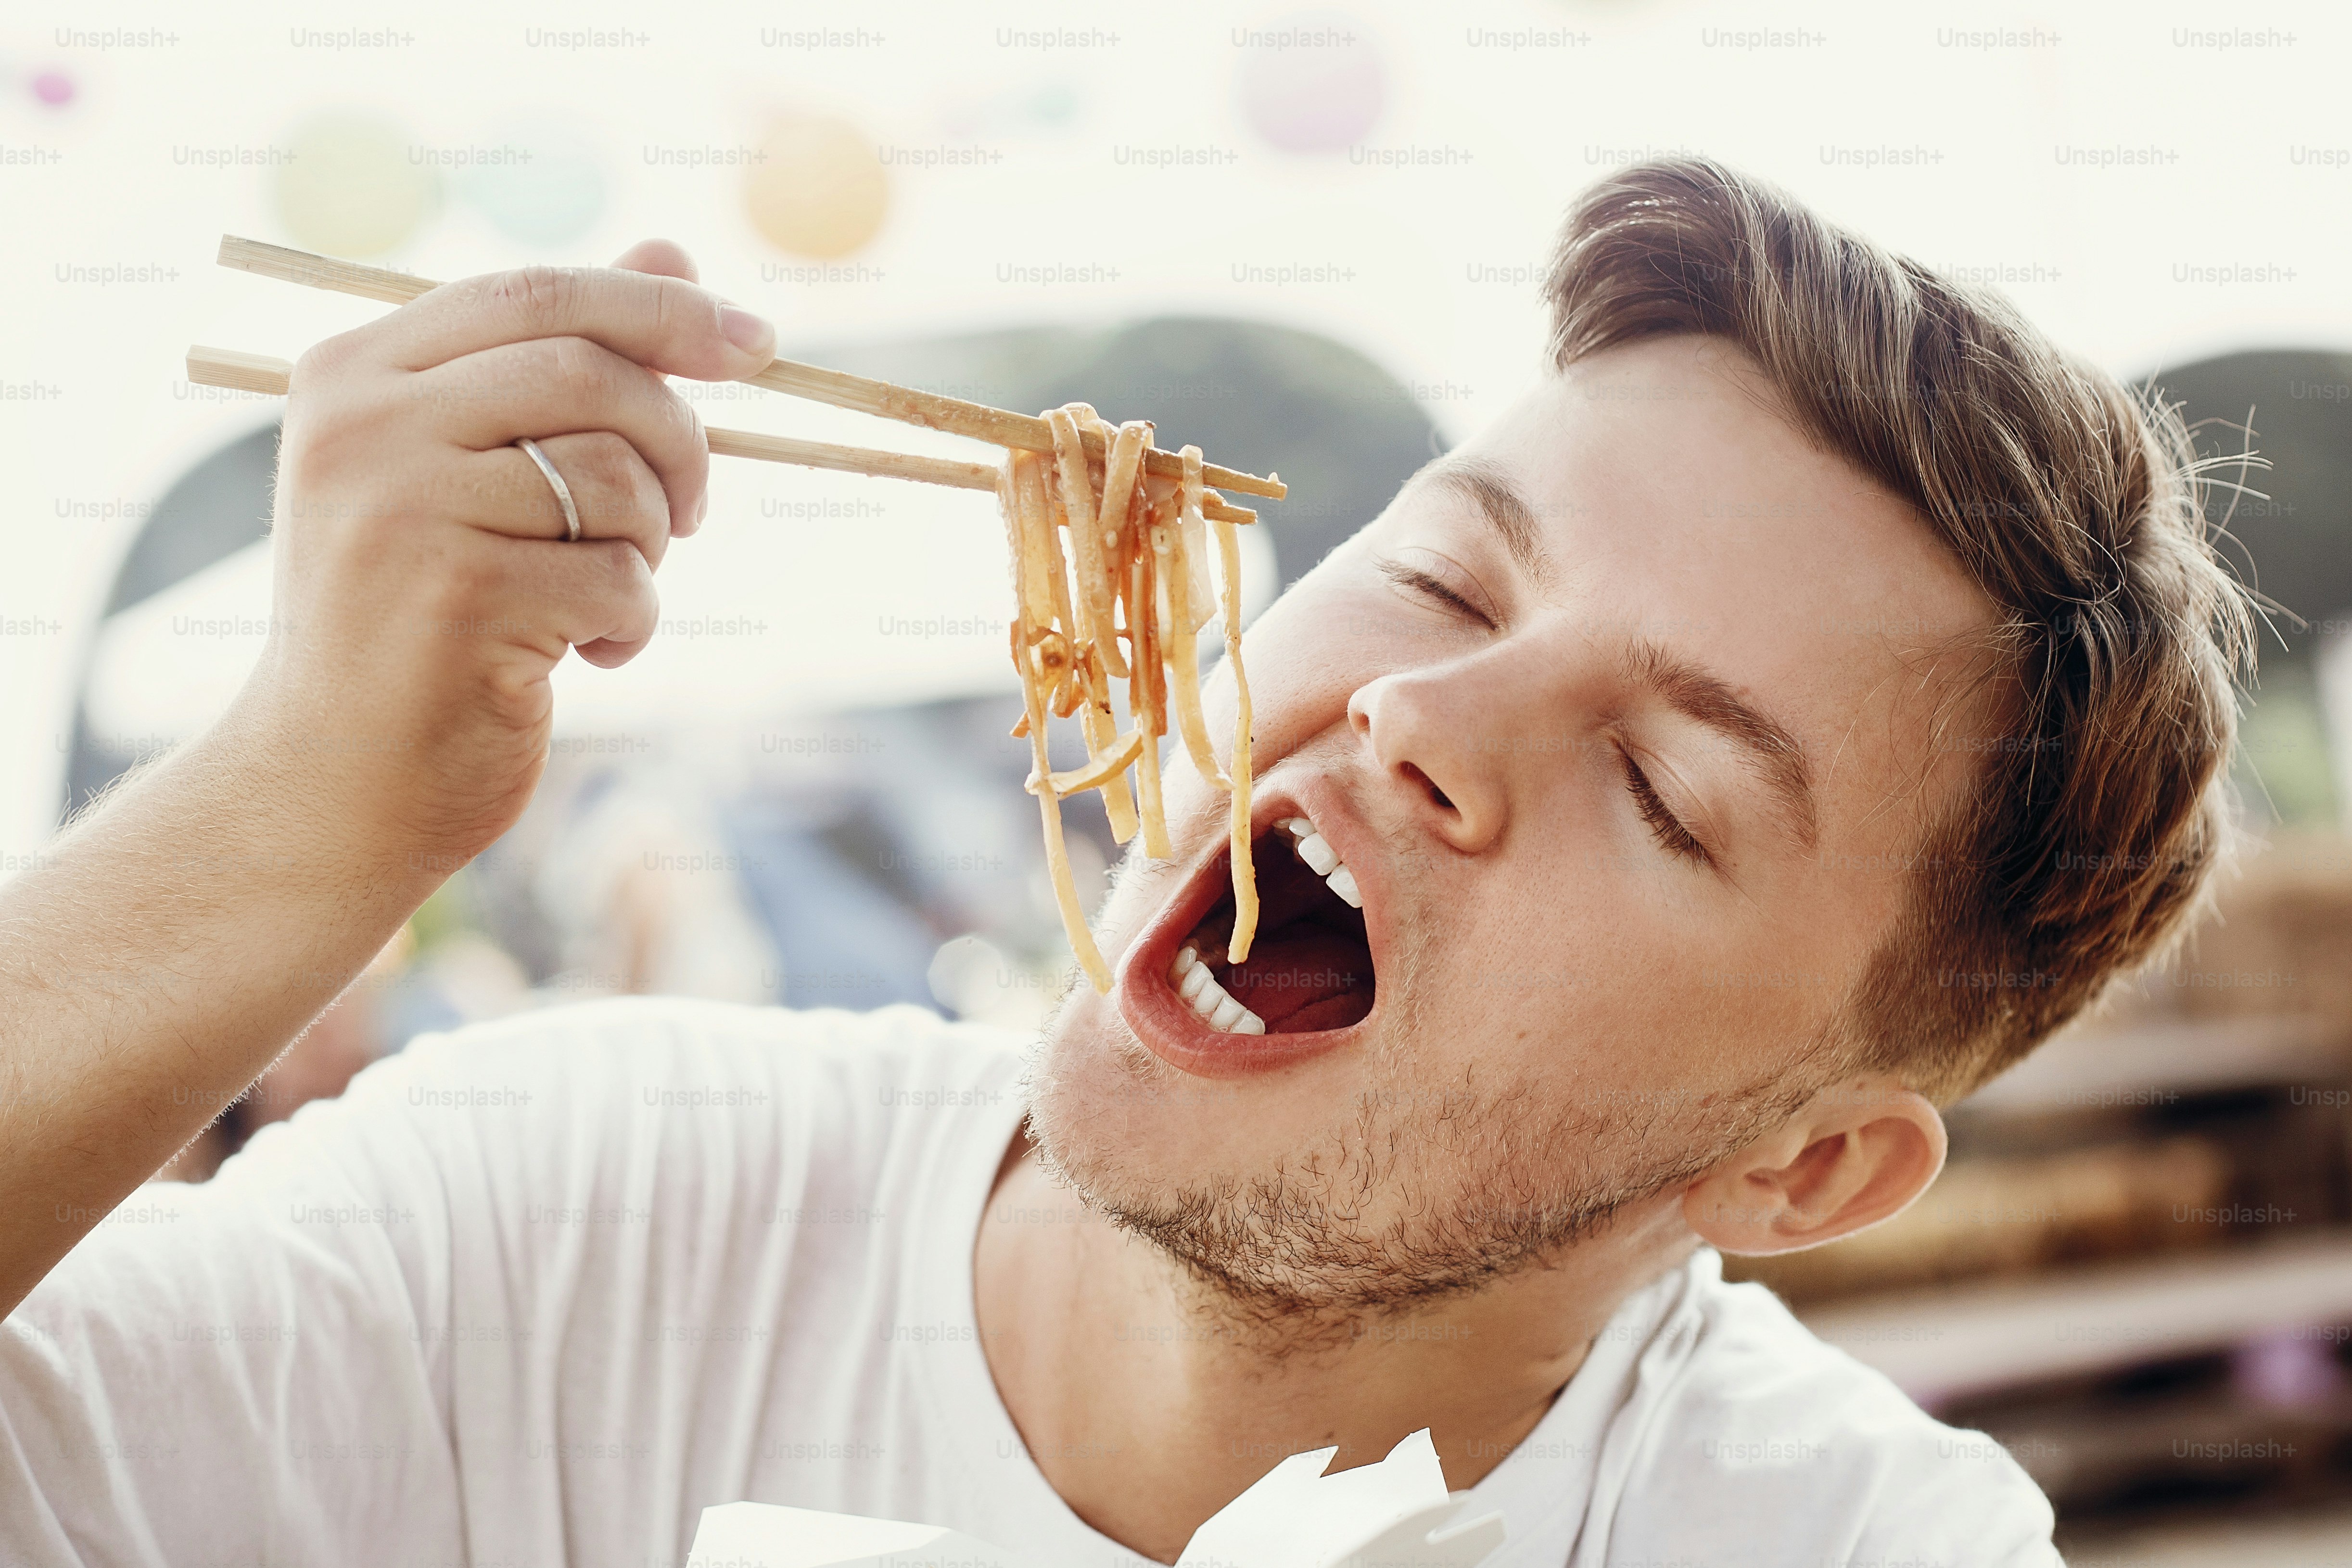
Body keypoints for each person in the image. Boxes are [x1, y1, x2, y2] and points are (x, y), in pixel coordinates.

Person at [0, 158, 2248, 1567]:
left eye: (1665, 789)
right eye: (1446, 585)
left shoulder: (1837, 1540)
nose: (1418, 721)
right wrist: (295, 804)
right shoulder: (565, 1213)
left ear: (1804, 1167)